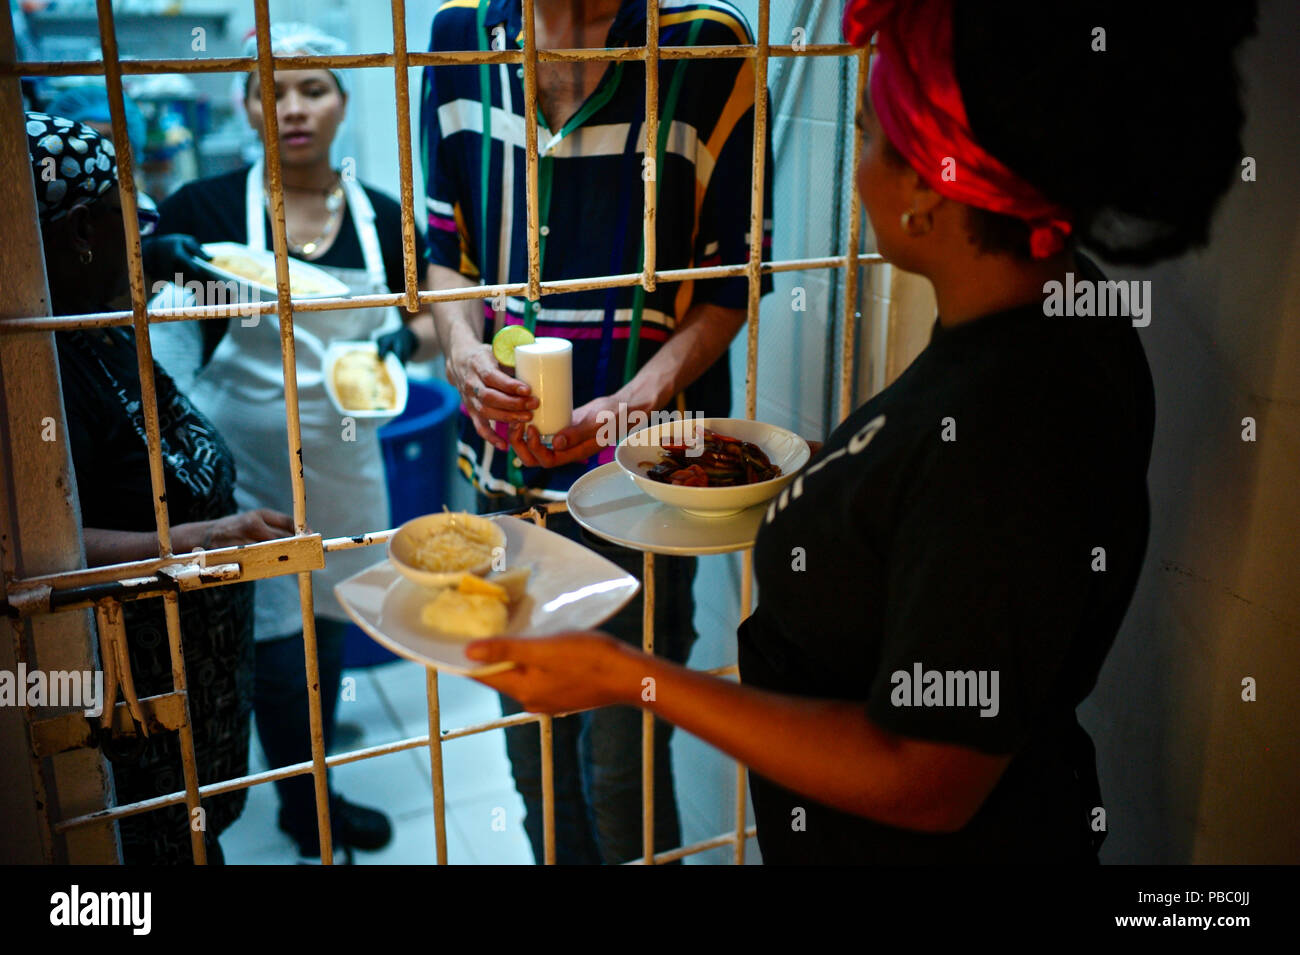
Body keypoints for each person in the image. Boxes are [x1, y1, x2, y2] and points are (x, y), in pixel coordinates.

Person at [460, 0, 1256, 863]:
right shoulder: (1058, 313)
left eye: (871, 136)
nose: (858, 168)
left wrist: (632, 677)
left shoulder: (1008, 420)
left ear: (928, 182)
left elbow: (927, 775)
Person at [420, 0, 773, 864]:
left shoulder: (706, 49)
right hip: (507, 482)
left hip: (641, 490)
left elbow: (737, 276)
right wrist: (462, 349)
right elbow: (445, 252)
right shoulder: (458, 39)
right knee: (532, 761)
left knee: (621, 774)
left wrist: (637, 399)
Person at [150, 23, 438, 862]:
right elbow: (159, 323)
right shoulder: (204, 209)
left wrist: (401, 343)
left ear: (344, 103)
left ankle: (309, 774)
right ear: (244, 105)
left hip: (347, 460)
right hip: (247, 464)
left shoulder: (385, 219)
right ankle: (305, 802)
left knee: (334, 615)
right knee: (275, 635)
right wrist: (162, 268)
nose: (292, 108)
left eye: (312, 88)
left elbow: (426, 320)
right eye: (270, 91)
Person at [26, 112, 295, 864]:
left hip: (197, 664)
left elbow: (160, 415)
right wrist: (193, 538)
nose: (142, 238)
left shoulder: (99, 323)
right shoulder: (34, 367)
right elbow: (36, 544)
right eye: (131, 220)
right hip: (130, 681)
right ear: (82, 228)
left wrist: (186, 285)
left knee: (195, 836)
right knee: (144, 849)